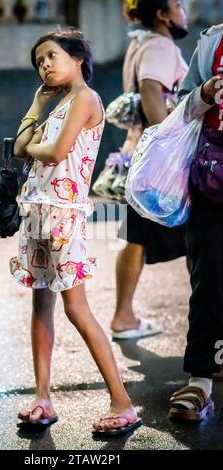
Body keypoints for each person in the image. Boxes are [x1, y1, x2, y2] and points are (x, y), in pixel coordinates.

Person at [10, 29, 142, 435]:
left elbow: (49, 151)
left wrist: (32, 140)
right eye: (39, 62)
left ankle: (123, 403)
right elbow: (18, 148)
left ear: (78, 57)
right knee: (41, 306)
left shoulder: (85, 99)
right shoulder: (54, 103)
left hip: (64, 216)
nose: (45, 65)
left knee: (76, 309)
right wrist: (36, 102)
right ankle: (42, 398)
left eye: (51, 55)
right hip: (37, 214)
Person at [111, 0, 190, 340]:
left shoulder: (140, 42)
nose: (182, 10)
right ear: (162, 15)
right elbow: (150, 89)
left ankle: (124, 316)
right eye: (177, 4)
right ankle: (210, 331)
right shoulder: (160, 44)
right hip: (161, 163)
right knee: (202, 241)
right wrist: (167, 145)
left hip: (140, 156)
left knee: (136, 238)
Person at [168, 22, 223, 421]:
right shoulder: (212, 41)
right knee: (209, 273)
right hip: (213, 173)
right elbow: (181, 105)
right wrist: (202, 95)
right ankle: (201, 378)